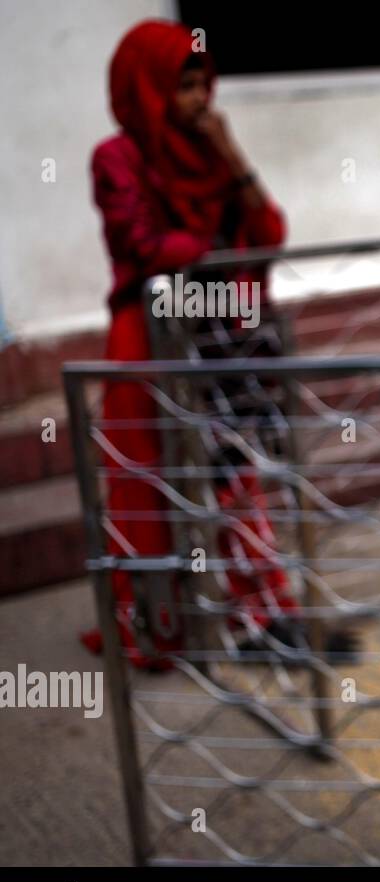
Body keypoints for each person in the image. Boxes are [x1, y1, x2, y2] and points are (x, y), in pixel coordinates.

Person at [85, 20, 291, 669]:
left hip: (216, 338)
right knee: (153, 483)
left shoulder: (209, 156)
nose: (200, 101)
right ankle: (159, 624)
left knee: (232, 477)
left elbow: (271, 230)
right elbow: (142, 246)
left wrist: (233, 161)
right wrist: (221, 259)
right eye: (183, 87)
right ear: (145, 90)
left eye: (204, 84)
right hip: (149, 341)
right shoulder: (116, 157)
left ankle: (259, 613)